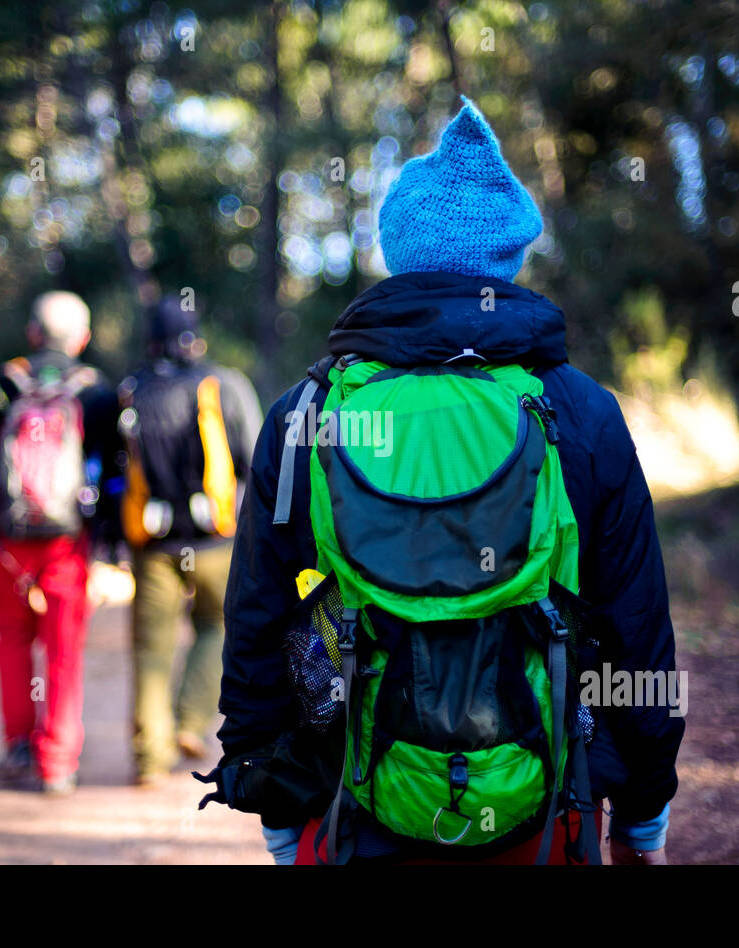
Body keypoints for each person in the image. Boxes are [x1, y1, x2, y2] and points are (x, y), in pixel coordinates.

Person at [200, 97, 685, 864]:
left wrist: (276, 810)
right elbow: (638, 632)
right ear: (511, 256)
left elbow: (258, 619)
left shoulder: (309, 412)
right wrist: (642, 816)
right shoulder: (580, 412)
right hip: (544, 805)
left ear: (399, 253)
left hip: (357, 802)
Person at [0, 291, 121, 796]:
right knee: (65, 649)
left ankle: (18, 744)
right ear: (82, 338)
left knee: (13, 640)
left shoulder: (2, 385)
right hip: (69, 542)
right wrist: (109, 541)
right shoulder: (96, 392)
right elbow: (111, 474)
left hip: (6, 542)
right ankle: (57, 762)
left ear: (32, 334)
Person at [119, 296, 262, 785]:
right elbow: (256, 463)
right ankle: (188, 721)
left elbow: (111, 470)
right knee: (216, 629)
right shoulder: (225, 384)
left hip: (152, 544)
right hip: (215, 541)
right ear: (197, 336)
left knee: (150, 650)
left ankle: (149, 758)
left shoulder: (130, 390)